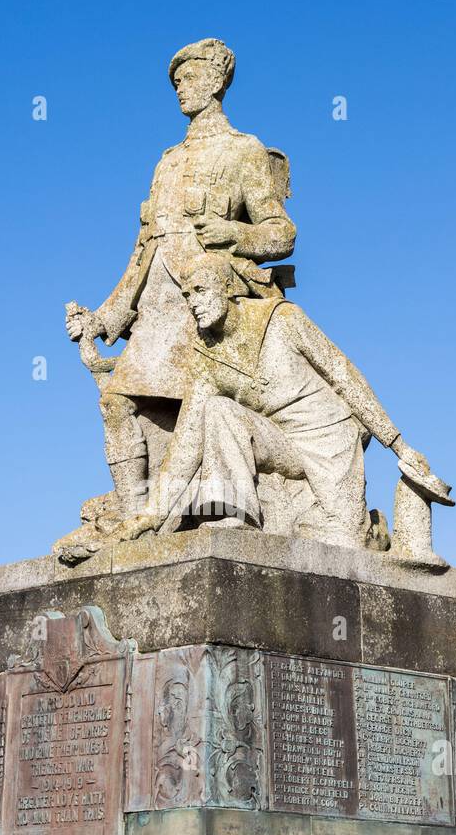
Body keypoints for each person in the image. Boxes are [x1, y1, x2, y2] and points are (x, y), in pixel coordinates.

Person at [65, 38, 296, 516]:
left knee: (199, 412)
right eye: (176, 83)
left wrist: (233, 231)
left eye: (189, 79)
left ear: (215, 82)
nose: (180, 90)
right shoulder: (166, 159)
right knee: (115, 402)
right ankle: (133, 518)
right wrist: (106, 316)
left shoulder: (244, 151)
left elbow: (281, 234)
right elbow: (145, 246)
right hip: (155, 309)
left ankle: (182, 511)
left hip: (207, 306)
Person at [113, 251, 447, 549]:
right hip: (279, 441)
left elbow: (345, 377)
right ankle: (234, 517)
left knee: (341, 548)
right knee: (216, 410)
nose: (192, 302)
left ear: (229, 288)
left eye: (200, 291)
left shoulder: (283, 319)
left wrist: (399, 445)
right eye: (186, 294)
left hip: (329, 438)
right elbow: (186, 441)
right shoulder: (206, 358)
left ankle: (371, 528)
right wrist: (152, 515)